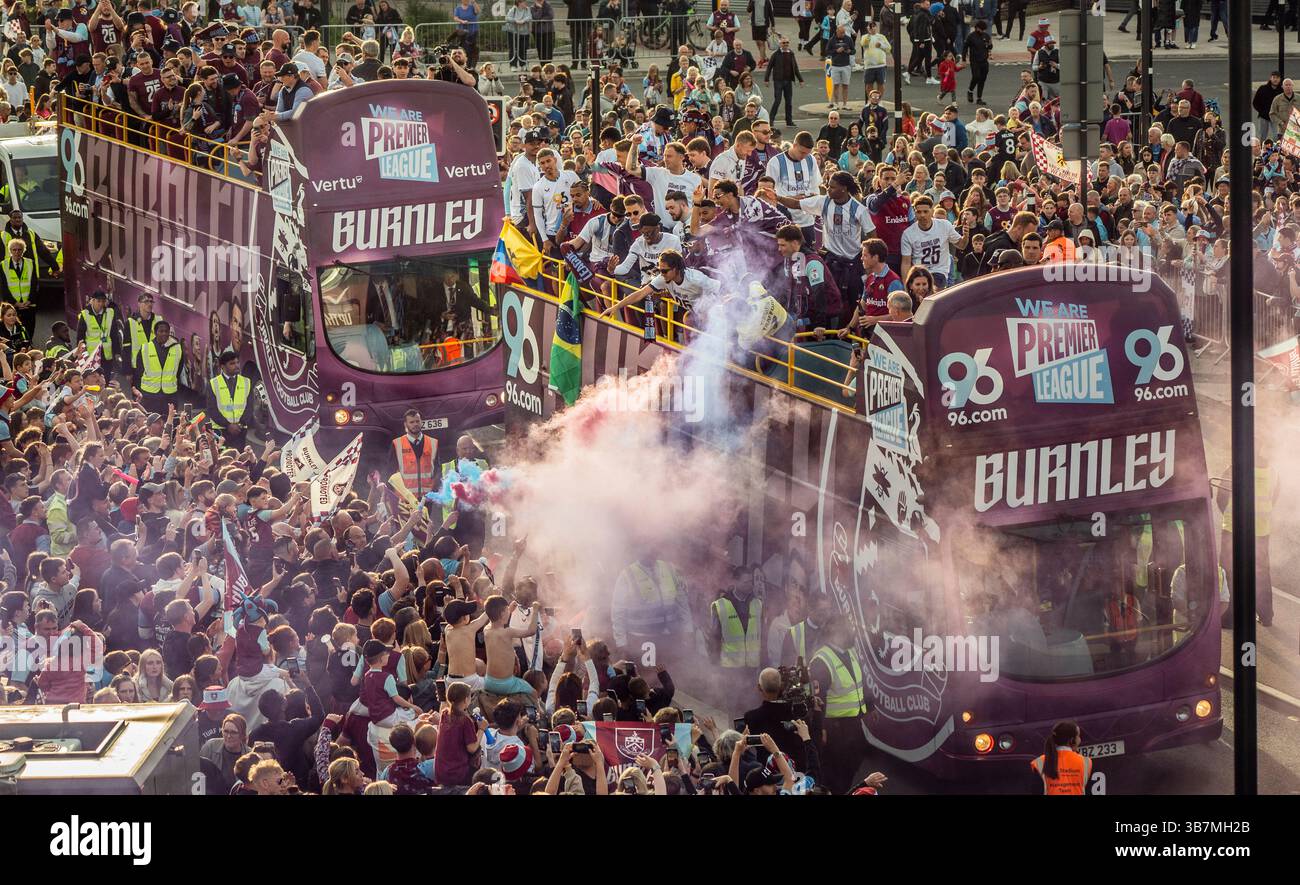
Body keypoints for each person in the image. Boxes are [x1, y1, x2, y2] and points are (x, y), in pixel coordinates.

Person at [135, 319, 183, 416]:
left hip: (169, 395)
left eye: (166, 331)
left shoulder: (177, 348)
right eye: (161, 331)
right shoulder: (145, 348)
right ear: (155, 332)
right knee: (150, 421)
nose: (164, 334)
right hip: (150, 394)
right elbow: (139, 370)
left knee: (169, 422)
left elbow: (179, 368)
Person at [1030, 720, 1092, 794]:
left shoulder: (1039, 762)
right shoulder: (1086, 762)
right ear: (1072, 740)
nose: (1080, 739)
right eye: (1078, 736)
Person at [207, 349, 251, 451]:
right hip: (220, 430)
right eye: (232, 363)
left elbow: (249, 407)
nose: (236, 366)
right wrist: (228, 425)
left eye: (237, 362)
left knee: (239, 460)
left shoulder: (246, 382)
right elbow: (212, 409)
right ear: (222, 366)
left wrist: (240, 424)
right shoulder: (214, 383)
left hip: (240, 430)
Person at [392, 408, 437, 502]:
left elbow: (437, 469)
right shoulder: (397, 444)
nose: (415, 424)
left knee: (426, 517)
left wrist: (434, 490)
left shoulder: (433, 442)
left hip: (427, 498)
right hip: (406, 498)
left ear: (421, 422)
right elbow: (390, 472)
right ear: (406, 424)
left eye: (417, 421)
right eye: (411, 422)